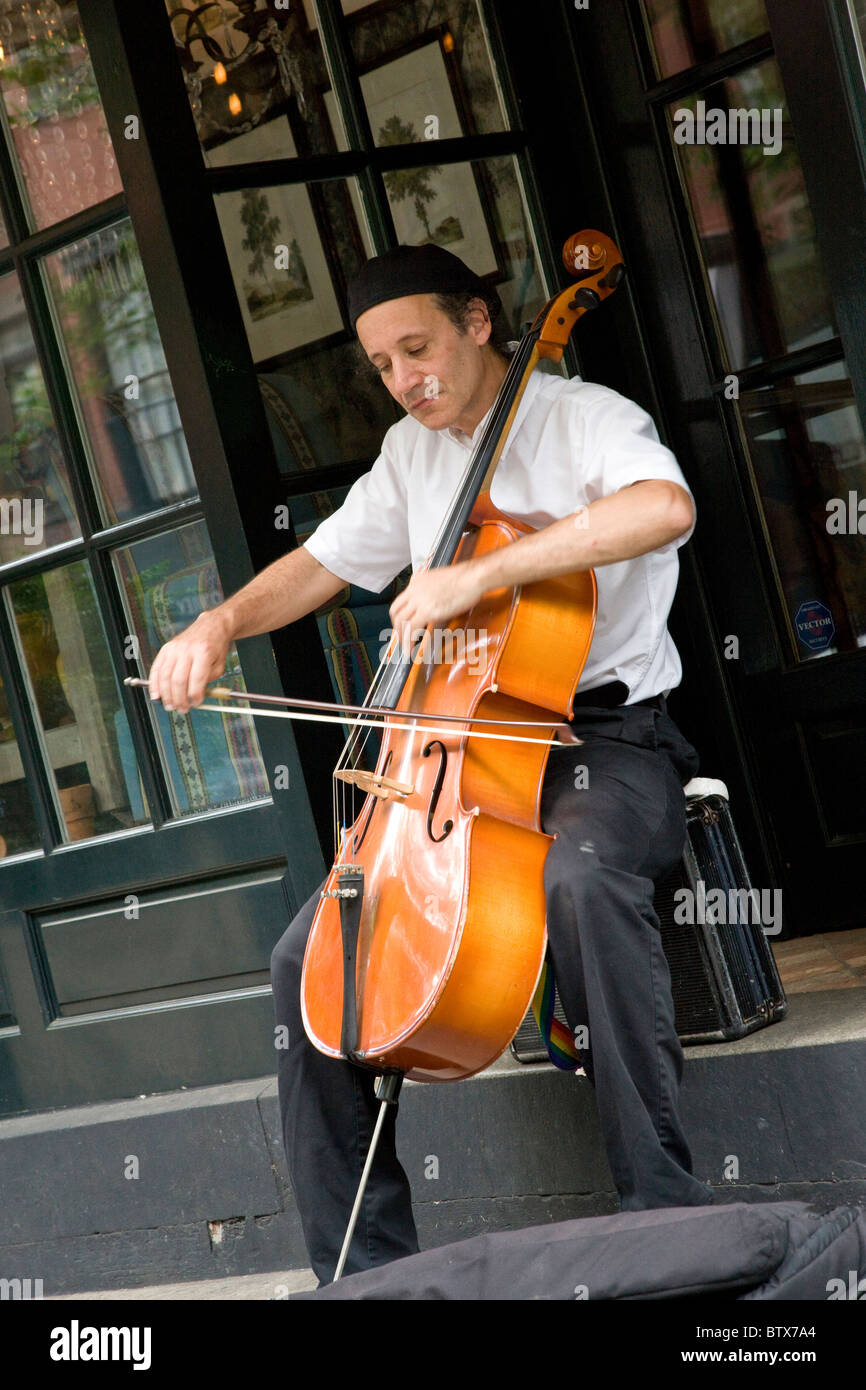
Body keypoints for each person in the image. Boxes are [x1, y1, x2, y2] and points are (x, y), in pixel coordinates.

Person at [147, 243, 714, 1287]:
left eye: (417, 348)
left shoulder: (582, 416)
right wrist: (218, 625)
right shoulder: (411, 458)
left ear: (477, 324)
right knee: (305, 961)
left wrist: (485, 572)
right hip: (456, 755)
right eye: (381, 364)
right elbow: (321, 563)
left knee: (579, 879)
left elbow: (661, 508)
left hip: (603, 743)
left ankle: (663, 1213)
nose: (405, 378)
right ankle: (359, 1270)